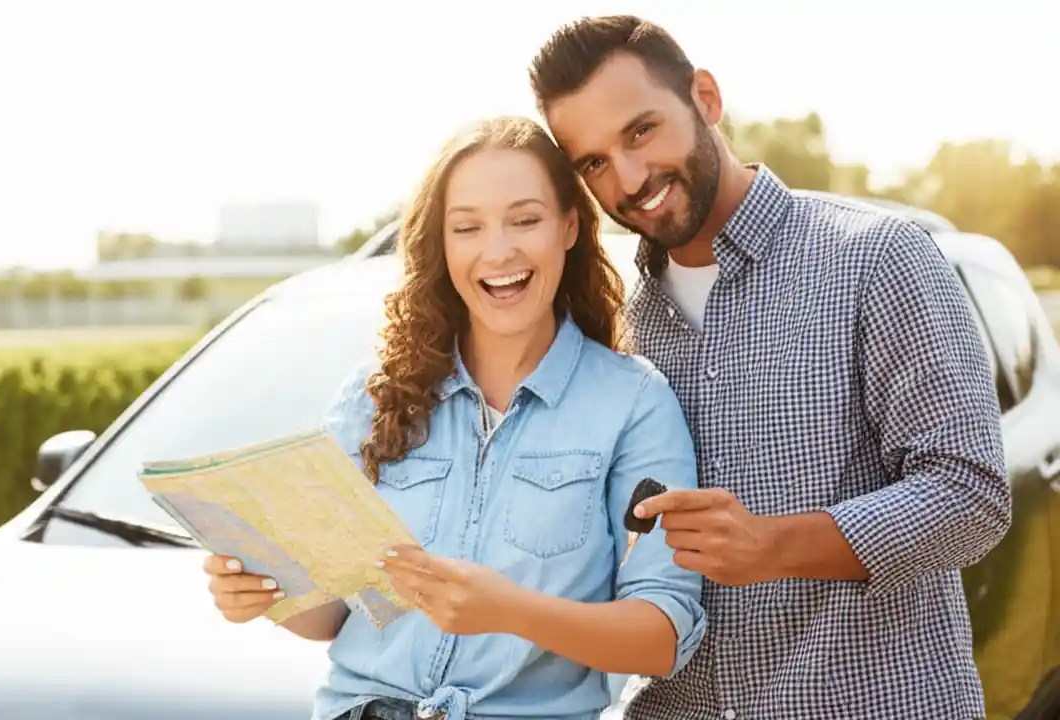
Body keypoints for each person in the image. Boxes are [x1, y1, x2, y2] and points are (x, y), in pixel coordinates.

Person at [528, 15, 1013, 720]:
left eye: (641, 131)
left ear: (706, 98)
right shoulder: (614, 329)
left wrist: (771, 545)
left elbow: (971, 495)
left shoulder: (876, 258)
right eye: (594, 162)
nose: (630, 179)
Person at [203, 116, 707, 720]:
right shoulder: (373, 397)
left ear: (569, 226)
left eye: (525, 220)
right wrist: (267, 594)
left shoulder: (635, 404)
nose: (499, 251)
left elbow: (662, 635)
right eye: (468, 227)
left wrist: (511, 611)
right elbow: (333, 615)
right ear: (442, 245)